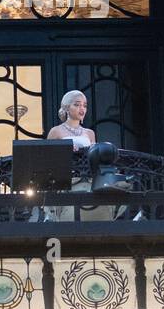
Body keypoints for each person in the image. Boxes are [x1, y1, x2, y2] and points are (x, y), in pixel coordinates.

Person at [44, 90, 117, 222]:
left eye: (84, 105)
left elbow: (96, 157)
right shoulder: (56, 131)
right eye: (77, 105)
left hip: (87, 179)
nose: (81, 108)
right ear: (66, 107)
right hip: (66, 179)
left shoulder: (89, 133)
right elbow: (48, 157)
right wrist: (65, 149)